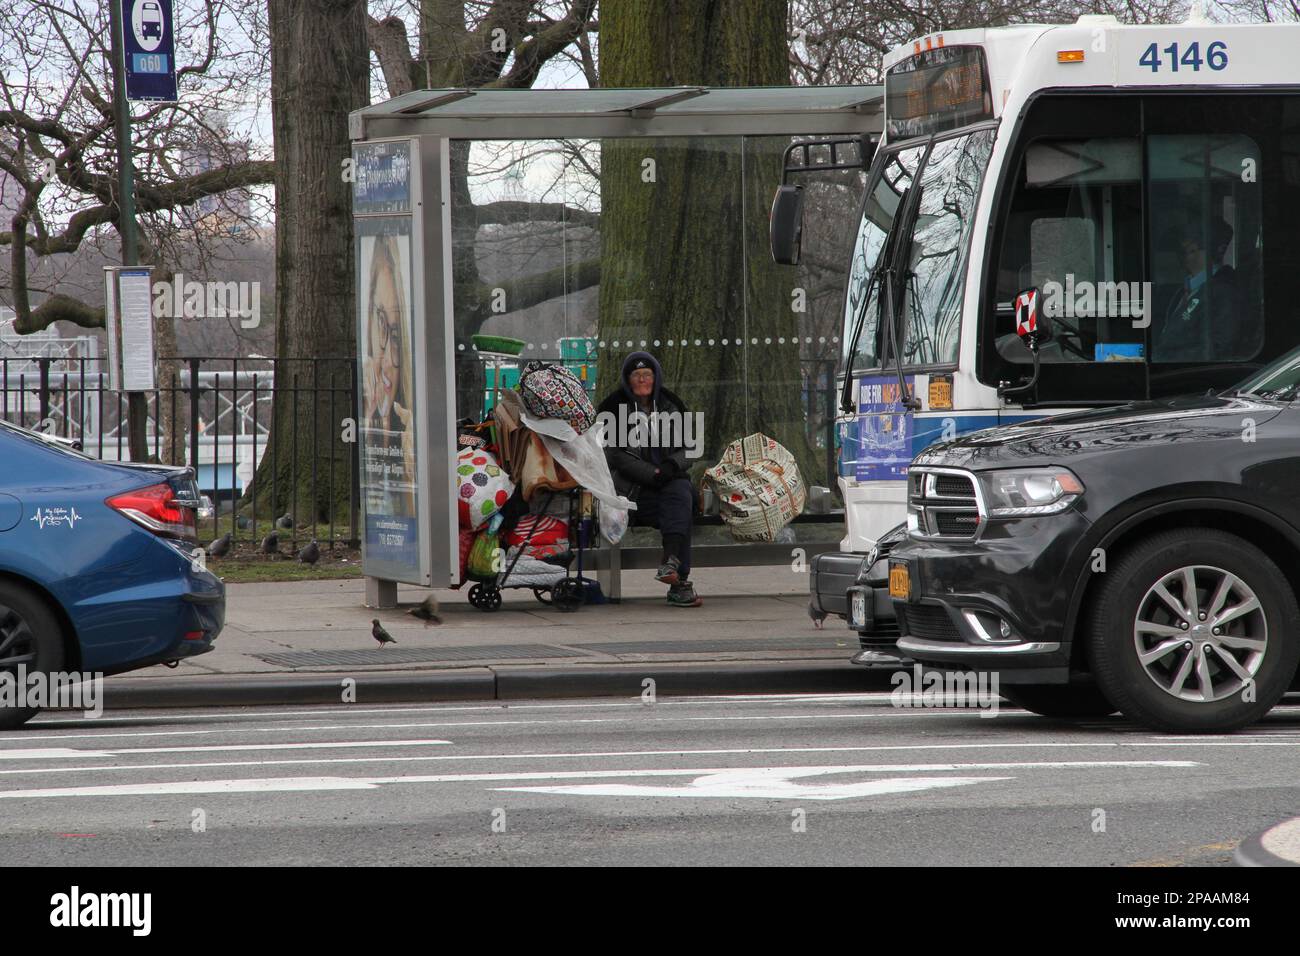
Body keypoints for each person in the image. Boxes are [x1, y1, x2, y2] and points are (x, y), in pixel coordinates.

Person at [598, 352, 702, 608]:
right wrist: (652, 473)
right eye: (636, 375)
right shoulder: (613, 407)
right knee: (682, 503)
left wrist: (670, 465)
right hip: (631, 494)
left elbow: (691, 448)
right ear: (627, 379)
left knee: (680, 492)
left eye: (647, 375)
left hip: (668, 486)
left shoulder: (670, 403)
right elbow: (614, 455)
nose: (642, 379)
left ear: (655, 378)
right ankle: (679, 584)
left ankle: (670, 564)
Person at [1154, 217, 1241, 363]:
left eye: (1191, 248)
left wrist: (1163, 358)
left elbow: (1220, 348)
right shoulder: (1184, 290)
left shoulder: (1224, 292)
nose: (1184, 255)